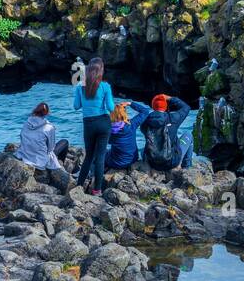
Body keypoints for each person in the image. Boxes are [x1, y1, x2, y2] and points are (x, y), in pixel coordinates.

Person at [72, 57, 114, 194]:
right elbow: (111, 107)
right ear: (101, 70)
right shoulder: (105, 86)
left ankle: (79, 186)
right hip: (103, 122)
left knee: (89, 156)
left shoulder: (80, 86)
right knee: (100, 157)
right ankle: (97, 190)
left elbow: (76, 106)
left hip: (88, 124)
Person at [140, 94, 194, 172]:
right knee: (188, 135)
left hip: (153, 163)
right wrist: (170, 98)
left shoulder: (145, 121)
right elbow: (186, 107)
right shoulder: (173, 118)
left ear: (153, 106)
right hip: (172, 162)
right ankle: (186, 167)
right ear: (165, 106)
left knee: (143, 149)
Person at [17, 102, 69, 171]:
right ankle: (61, 164)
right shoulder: (49, 127)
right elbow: (51, 148)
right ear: (46, 113)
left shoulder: (26, 123)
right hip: (40, 160)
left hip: (25, 155)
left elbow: (22, 138)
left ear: (35, 111)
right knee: (65, 142)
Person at [105, 99, 153, 171]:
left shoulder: (108, 130)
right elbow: (145, 111)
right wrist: (130, 103)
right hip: (132, 159)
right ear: (124, 114)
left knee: (103, 152)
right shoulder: (132, 124)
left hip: (116, 162)